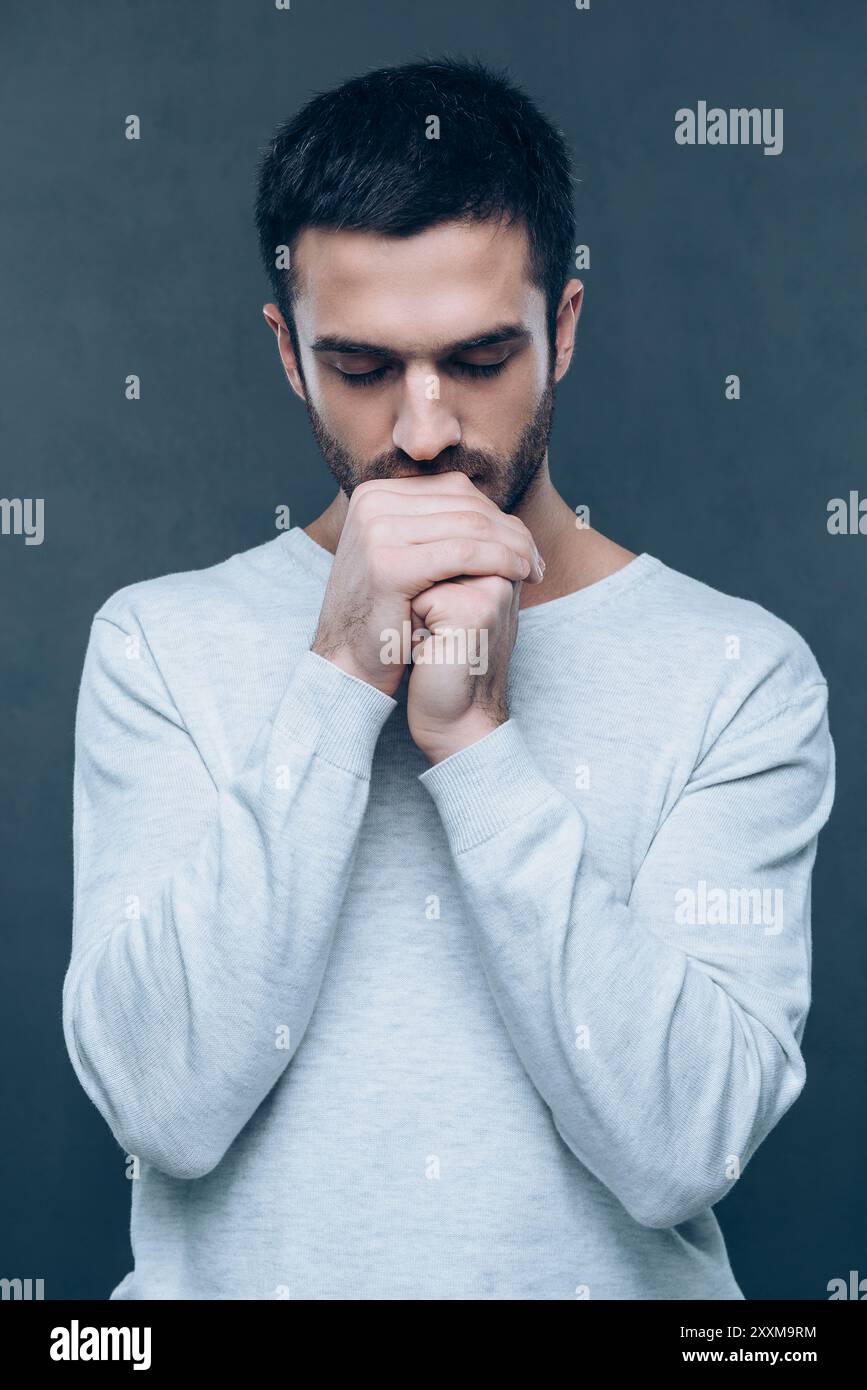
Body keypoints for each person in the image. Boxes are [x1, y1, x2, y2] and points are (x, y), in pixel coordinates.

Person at [63, 57, 835, 1300]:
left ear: (564, 329)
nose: (423, 427)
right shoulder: (157, 645)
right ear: (287, 351)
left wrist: (476, 744)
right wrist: (339, 674)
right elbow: (164, 1106)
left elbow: (686, 1149)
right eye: (364, 367)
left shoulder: (738, 674)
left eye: (478, 357)